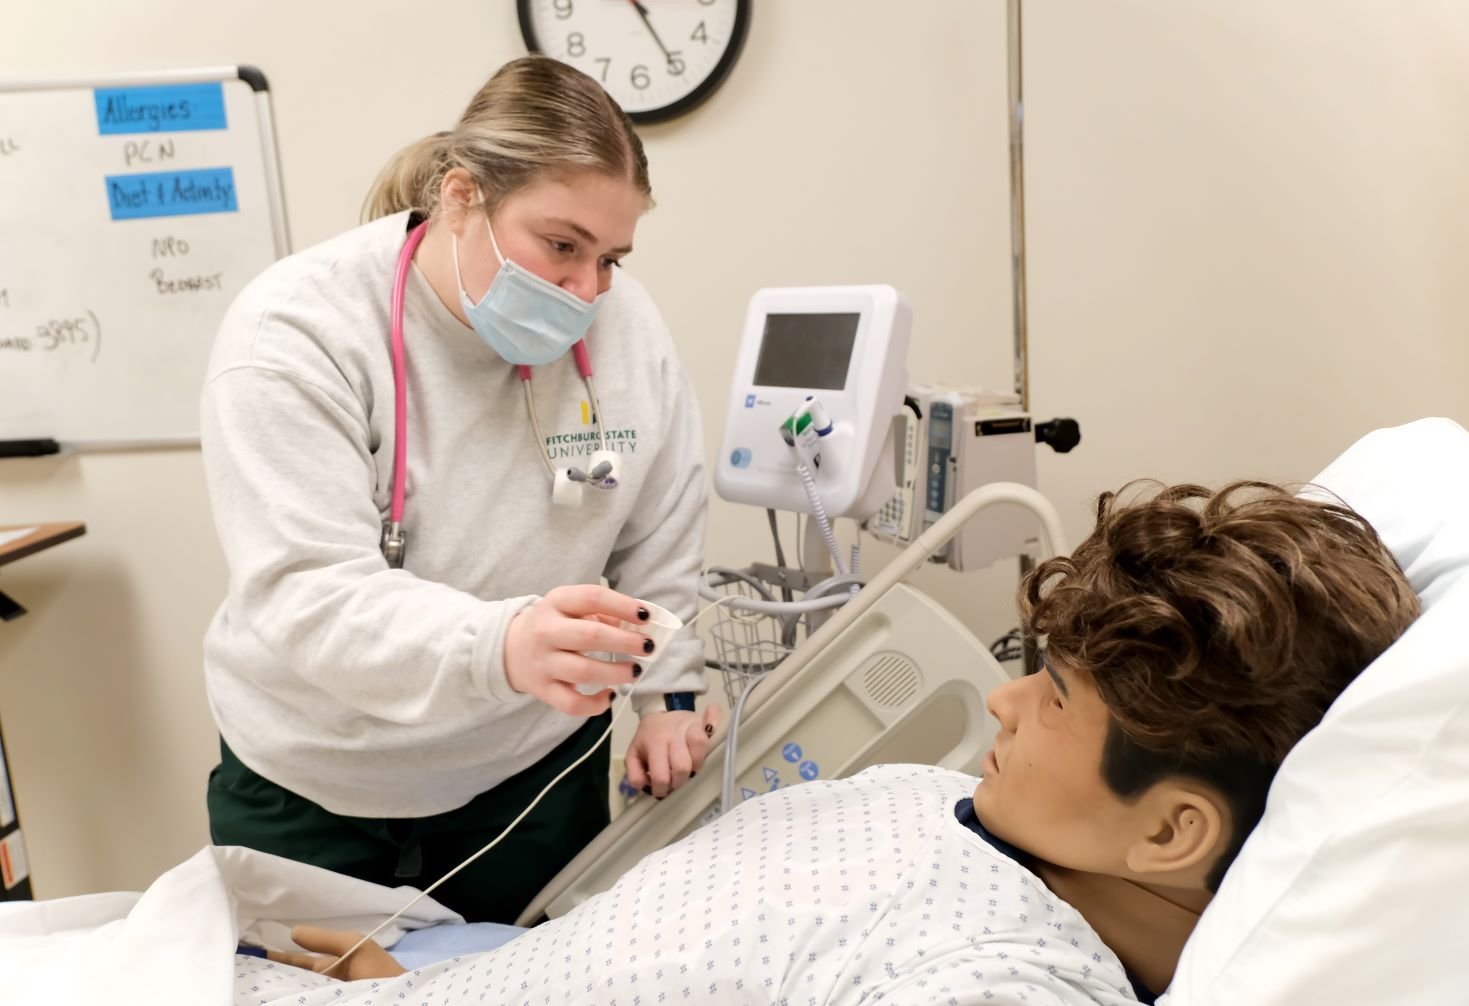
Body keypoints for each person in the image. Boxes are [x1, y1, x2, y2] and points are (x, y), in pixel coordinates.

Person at [235, 480, 1420, 1003]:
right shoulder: (957, 808)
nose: (1001, 708)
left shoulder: (999, 980)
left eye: (1052, 695)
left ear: (1170, 829)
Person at [199, 55, 717, 925]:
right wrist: (501, 644)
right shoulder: (297, 331)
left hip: (531, 777)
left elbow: (657, 536)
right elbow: (309, 594)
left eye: (611, 258)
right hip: (313, 780)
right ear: (460, 195)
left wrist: (668, 697)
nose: (586, 291)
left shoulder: (625, 330)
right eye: (560, 246)